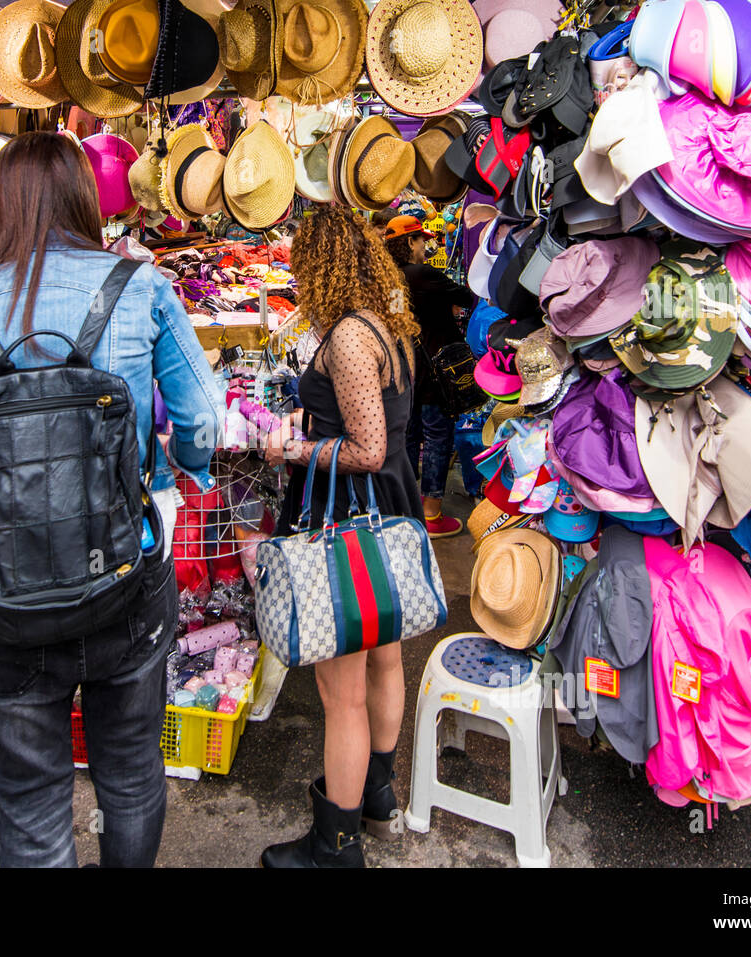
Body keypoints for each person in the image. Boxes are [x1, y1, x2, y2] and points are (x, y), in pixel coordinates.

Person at [0, 132, 224, 868]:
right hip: (123, 580)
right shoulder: (140, 287)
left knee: (33, 804)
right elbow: (204, 418)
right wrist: (183, 466)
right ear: (85, 199)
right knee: (131, 774)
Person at [261, 205, 422, 868]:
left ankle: (337, 845)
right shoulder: (386, 324)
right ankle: (378, 793)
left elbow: (367, 446)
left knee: (343, 691)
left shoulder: (351, 336)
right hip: (385, 507)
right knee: (384, 658)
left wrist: (294, 450)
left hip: (349, 515)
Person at [385, 214, 473, 537]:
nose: (426, 244)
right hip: (436, 372)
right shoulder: (424, 274)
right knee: (437, 438)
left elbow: (398, 320)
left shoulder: (393, 279)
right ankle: (432, 513)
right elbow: (465, 296)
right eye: (421, 239)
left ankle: (405, 508)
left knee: (408, 437)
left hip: (407, 372)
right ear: (409, 242)